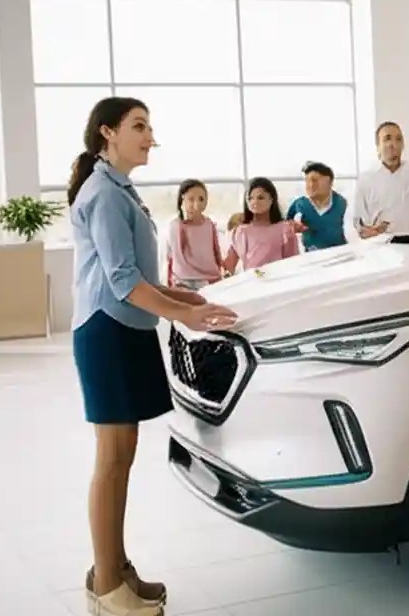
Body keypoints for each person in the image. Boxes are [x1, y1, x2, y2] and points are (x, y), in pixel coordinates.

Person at [67, 96, 237, 615]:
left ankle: (114, 571)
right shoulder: (103, 193)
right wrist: (179, 315)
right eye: (138, 126)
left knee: (122, 458)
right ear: (106, 134)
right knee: (112, 461)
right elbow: (120, 282)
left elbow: (137, 275)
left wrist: (183, 298)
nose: (149, 136)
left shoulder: (121, 190)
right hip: (108, 331)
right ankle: (106, 587)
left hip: (125, 329)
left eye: (150, 126)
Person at [354, 121, 409, 239]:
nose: (393, 144)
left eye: (398, 139)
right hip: (379, 242)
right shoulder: (366, 179)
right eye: (387, 139)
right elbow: (356, 218)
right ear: (378, 145)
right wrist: (364, 230)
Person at [222, 177, 299, 274]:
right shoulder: (241, 231)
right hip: (251, 283)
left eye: (260, 197)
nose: (255, 202)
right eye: (250, 198)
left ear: (271, 199)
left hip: (278, 282)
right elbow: (229, 264)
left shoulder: (284, 230)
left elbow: (293, 263)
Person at [165, 179, 224, 290]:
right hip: (184, 280)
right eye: (191, 199)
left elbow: (216, 251)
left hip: (210, 279)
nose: (197, 204)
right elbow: (172, 257)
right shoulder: (175, 226)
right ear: (182, 200)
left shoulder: (209, 224)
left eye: (201, 199)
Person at [286, 161, 351, 251]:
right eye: (307, 181)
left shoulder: (343, 203)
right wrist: (292, 227)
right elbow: (285, 226)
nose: (310, 185)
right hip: (312, 257)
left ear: (329, 181)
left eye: (315, 180)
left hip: (341, 255)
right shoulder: (299, 204)